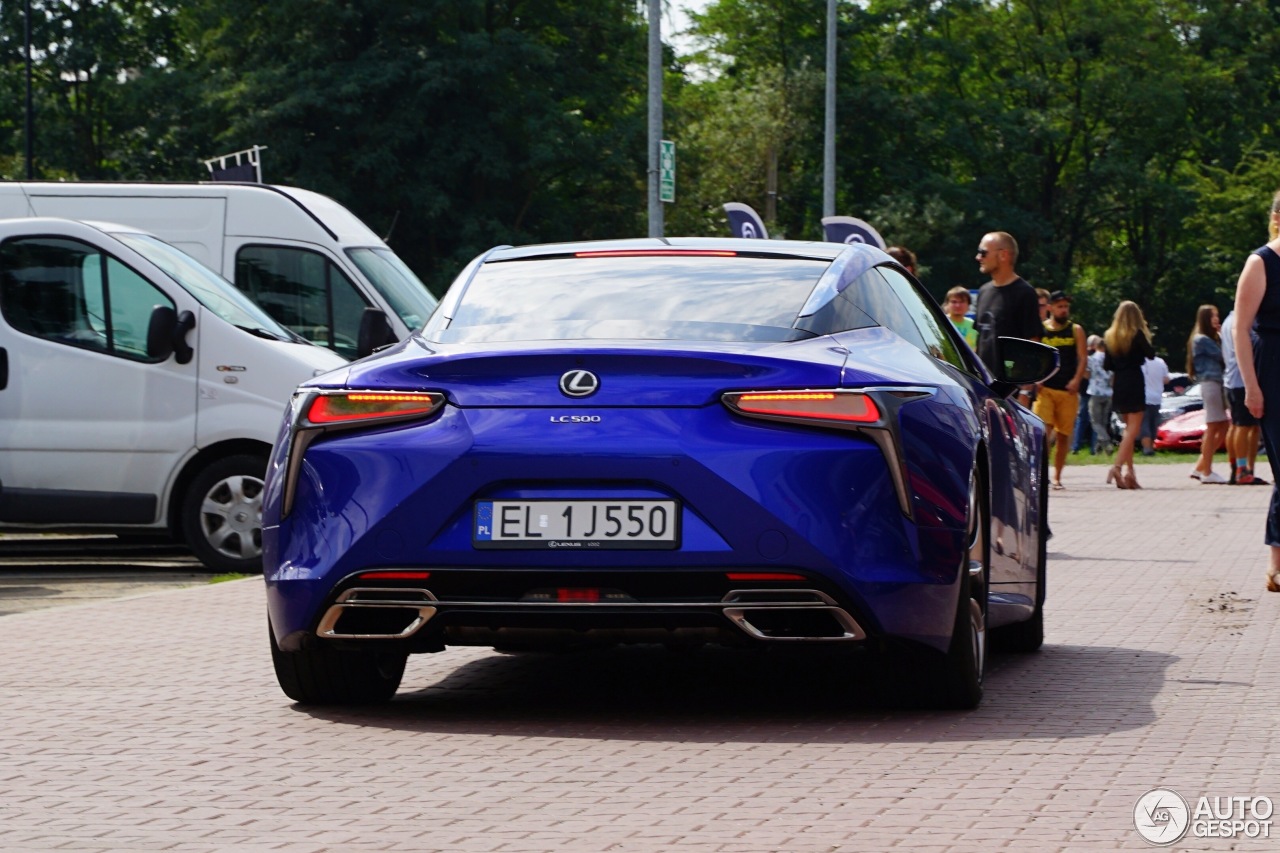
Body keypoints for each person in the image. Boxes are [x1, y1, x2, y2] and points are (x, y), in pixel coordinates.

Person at [1230, 187, 1280, 592]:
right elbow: (1242, 330)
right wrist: (1251, 387)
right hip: (1272, 369)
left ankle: (1275, 563)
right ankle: (1276, 561)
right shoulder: (1260, 262)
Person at [973, 232, 1043, 392]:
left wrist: (1025, 390)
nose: (978, 257)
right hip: (983, 386)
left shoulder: (1025, 293)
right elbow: (982, 340)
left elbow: (1033, 344)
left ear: (1003, 255)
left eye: (983, 252)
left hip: (1011, 391)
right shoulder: (984, 291)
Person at [1033, 291, 1087, 489]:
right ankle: (1041, 474)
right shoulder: (1042, 330)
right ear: (1050, 307)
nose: (1064, 310)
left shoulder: (1076, 330)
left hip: (1067, 391)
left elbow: (1082, 357)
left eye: (1066, 306)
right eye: (1059, 306)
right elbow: (1035, 355)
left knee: (1063, 435)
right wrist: (1036, 378)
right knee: (1044, 432)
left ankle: (1057, 476)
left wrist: (1076, 380)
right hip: (1045, 389)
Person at [1103, 301, 1156, 489]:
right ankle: (1117, 468)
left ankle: (1130, 473)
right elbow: (1151, 354)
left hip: (1119, 382)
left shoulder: (1110, 336)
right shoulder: (1137, 334)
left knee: (1128, 430)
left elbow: (1106, 365)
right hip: (1134, 379)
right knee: (1133, 430)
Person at [1221, 308, 1267, 485]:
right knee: (1245, 427)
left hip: (1231, 380)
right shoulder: (1243, 323)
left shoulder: (1228, 320)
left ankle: (1239, 468)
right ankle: (1242, 470)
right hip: (1242, 381)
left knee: (1239, 426)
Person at [1187, 304, 1229, 484]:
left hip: (1215, 383)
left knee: (1223, 426)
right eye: (1213, 316)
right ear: (1205, 318)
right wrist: (1222, 336)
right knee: (1213, 427)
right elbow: (1224, 355)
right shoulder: (1202, 339)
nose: (1216, 319)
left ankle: (1200, 467)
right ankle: (1207, 471)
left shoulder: (1206, 338)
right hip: (1210, 383)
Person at [1085, 335, 1114, 454]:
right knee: (1103, 421)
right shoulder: (1111, 359)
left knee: (1095, 422)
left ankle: (1107, 442)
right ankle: (1100, 450)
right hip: (1108, 393)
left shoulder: (1091, 359)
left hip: (1095, 392)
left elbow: (1086, 374)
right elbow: (1113, 378)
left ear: (1097, 346)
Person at [1140, 353, 1169, 457]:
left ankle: (1147, 449)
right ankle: (1151, 447)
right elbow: (1166, 379)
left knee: (1144, 424)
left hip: (1142, 397)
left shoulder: (1139, 362)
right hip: (1157, 397)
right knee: (1154, 424)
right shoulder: (1160, 362)